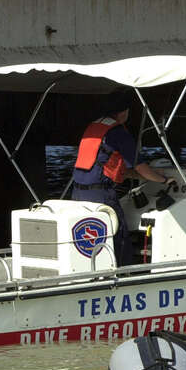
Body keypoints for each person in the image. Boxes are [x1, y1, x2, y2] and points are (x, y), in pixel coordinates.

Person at [71, 90, 176, 264]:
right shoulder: (118, 133)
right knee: (118, 236)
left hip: (78, 193)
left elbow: (108, 167)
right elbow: (140, 166)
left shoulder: (94, 127)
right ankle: (124, 273)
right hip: (100, 195)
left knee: (88, 239)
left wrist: (145, 176)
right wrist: (164, 180)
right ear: (123, 112)